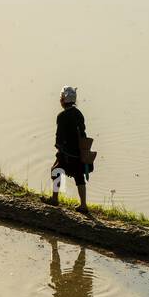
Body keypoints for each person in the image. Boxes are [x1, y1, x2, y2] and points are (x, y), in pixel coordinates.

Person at [50, 85, 90, 214]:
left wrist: (59, 148)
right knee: (79, 177)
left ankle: (55, 198)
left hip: (67, 152)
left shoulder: (62, 116)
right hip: (79, 151)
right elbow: (82, 132)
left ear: (63, 100)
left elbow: (59, 136)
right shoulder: (79, 114)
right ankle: (83, 205)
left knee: (55, 170)